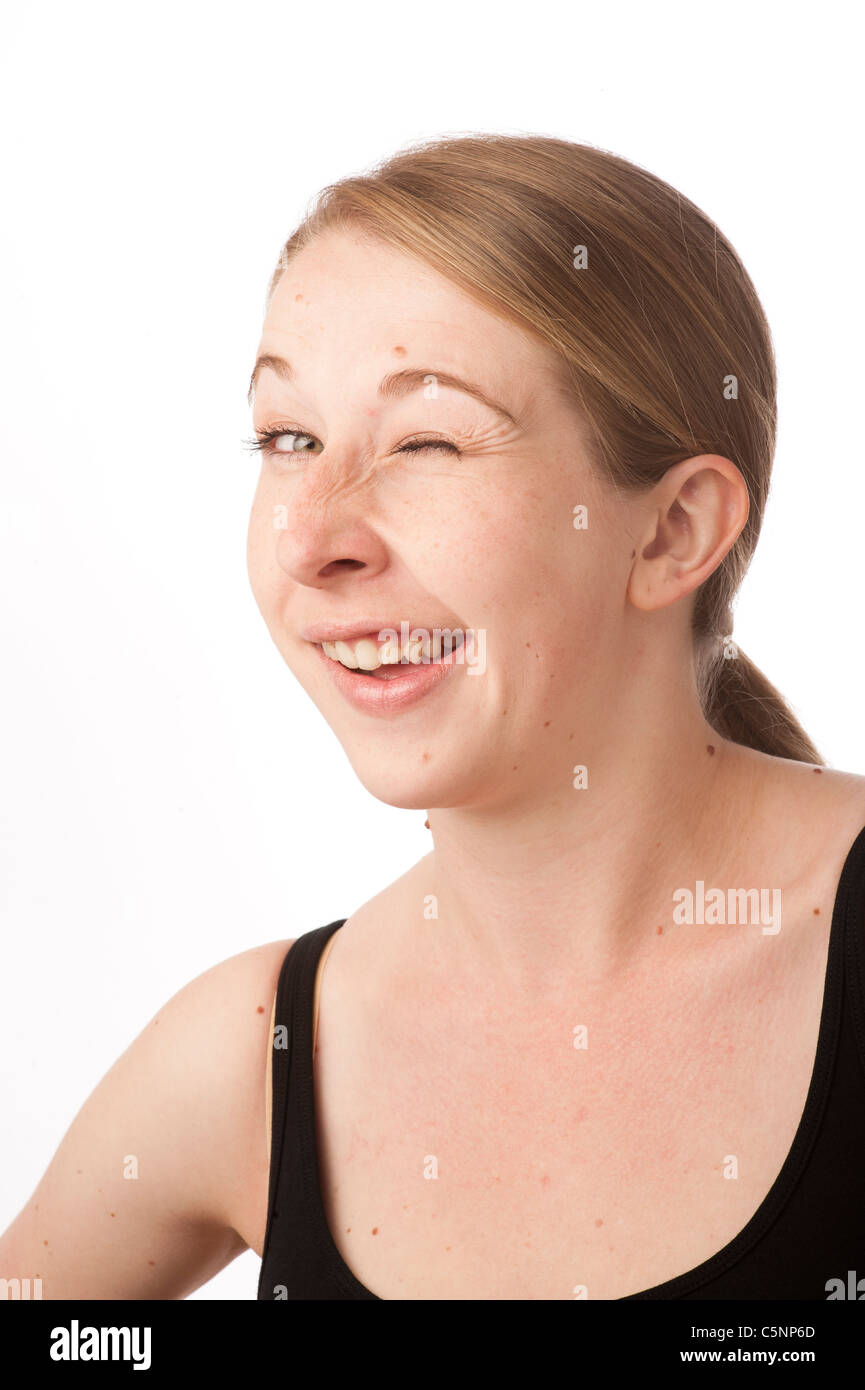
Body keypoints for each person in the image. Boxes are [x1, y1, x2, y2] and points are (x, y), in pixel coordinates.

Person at [3, 133, 864, 1301]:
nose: (312, 539)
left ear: (670, 532)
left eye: (427, 441)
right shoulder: (253, 1057)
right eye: (288, 439)